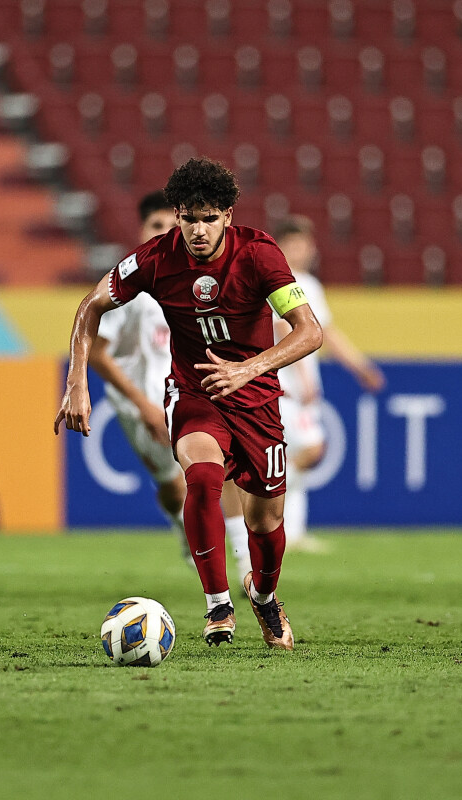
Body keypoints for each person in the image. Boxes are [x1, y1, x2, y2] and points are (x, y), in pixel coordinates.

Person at [56, 157, 323, 651]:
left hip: (257, 397)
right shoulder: (155, 259)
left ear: (227, 216)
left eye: (209, 218)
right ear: (177, 216)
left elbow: (310, 332)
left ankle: (263, 595)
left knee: (266, 521)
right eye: (188, 218)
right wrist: (76, 380)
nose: (198, 230)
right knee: (199, 475)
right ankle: (217, 603)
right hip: (195, 390)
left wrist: (247, 369)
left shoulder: (260, 254)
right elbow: (90, 305)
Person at [270, 215, 385, 552]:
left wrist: (360, 367)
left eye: (304, 244)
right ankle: (273, 520)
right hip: (284, 385)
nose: (299, 251)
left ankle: (291, 531)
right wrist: (304, 376)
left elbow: (327, 333)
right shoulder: (277, 283)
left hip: (301, 387)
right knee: (310, 451)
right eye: (292, 244)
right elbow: (283, 329)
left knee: (294, 455)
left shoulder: (311, 286)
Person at [87, 191, 186, 555]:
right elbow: (98, 353)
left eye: (172, 226)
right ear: (141, 230)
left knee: (219, 472)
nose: (165, 233)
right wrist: (144, 405)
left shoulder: (192, 280)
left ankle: (240, 566)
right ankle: (185, 533)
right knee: (175, 487)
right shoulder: (126, 284)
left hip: (184, 393)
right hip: (140, 403)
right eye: (156, 226)